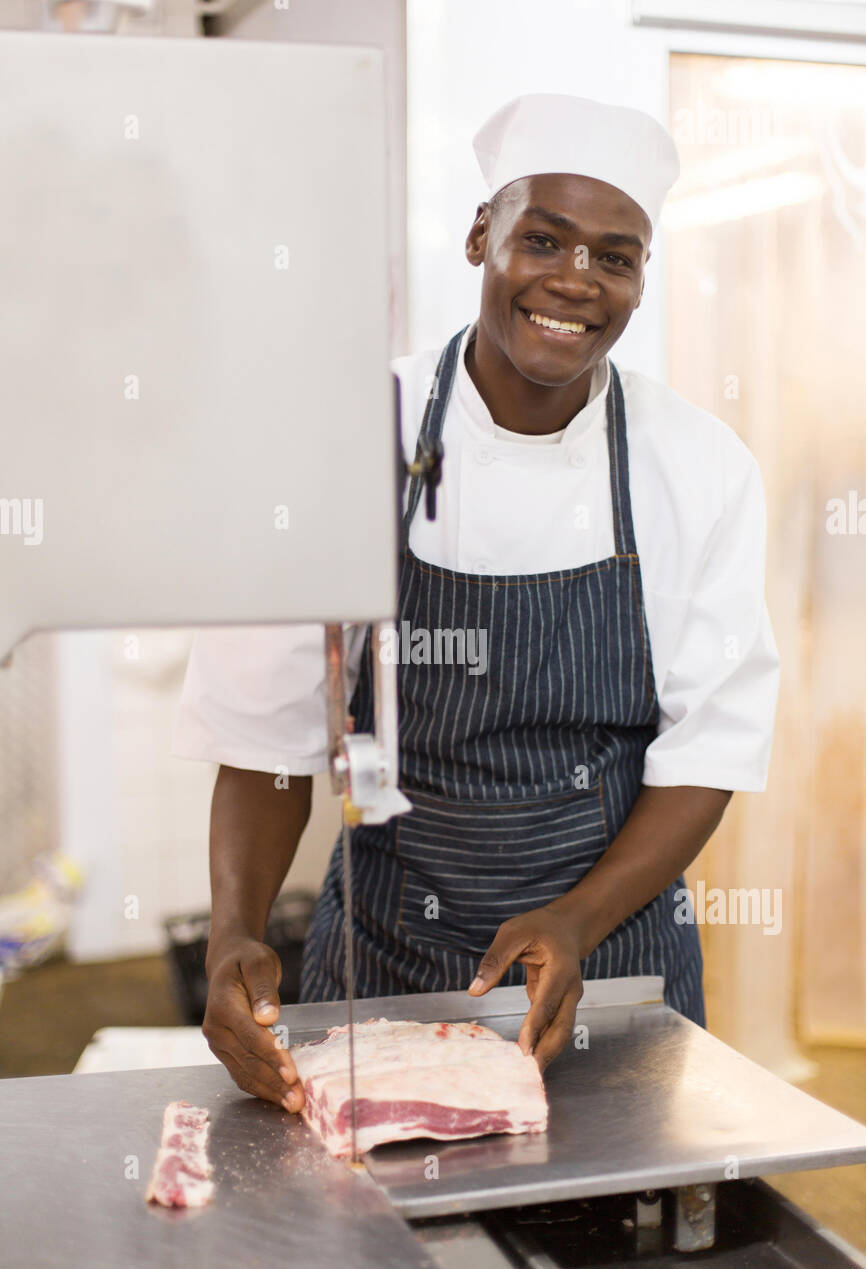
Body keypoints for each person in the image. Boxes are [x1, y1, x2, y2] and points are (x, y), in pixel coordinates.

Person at [173, 93, 780, 1113]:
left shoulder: (695, 466)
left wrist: (577, 919)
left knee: (617, 1238)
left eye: (613, 256)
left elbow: (707, 749)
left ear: (638, 280)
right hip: (384, 945)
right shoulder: (340, 441)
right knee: (359, 1246)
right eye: (540, 239)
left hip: (609, 948)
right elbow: (264, 737)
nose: (572, 282)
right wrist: (235, 928)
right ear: (478, 237)